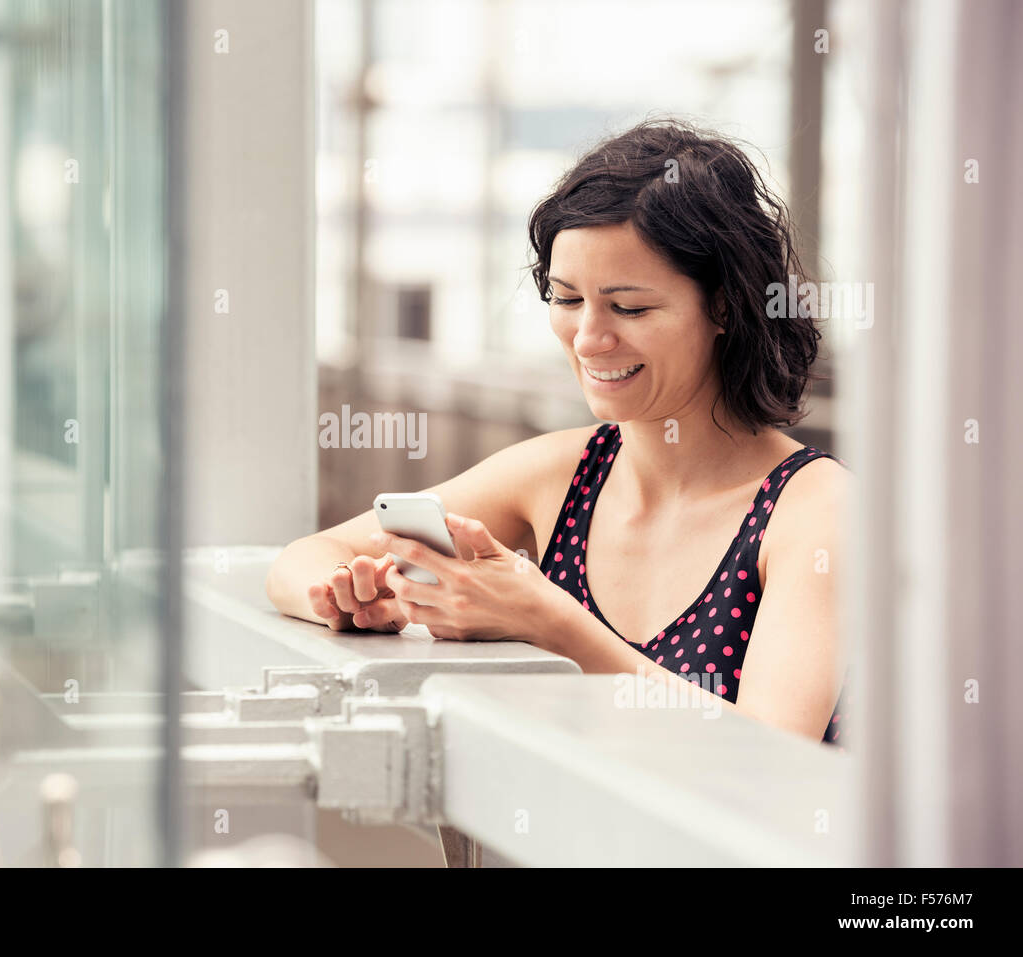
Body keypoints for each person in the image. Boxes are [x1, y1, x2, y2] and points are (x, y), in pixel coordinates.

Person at [266, 119, 849, 745]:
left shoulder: (817, 508)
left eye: (630, 307)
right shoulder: (563, 472)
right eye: (566, 299)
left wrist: (548, 619)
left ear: (725, 307)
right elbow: (298, 561)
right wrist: (349, 602)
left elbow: (775, 749)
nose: (589, 339)